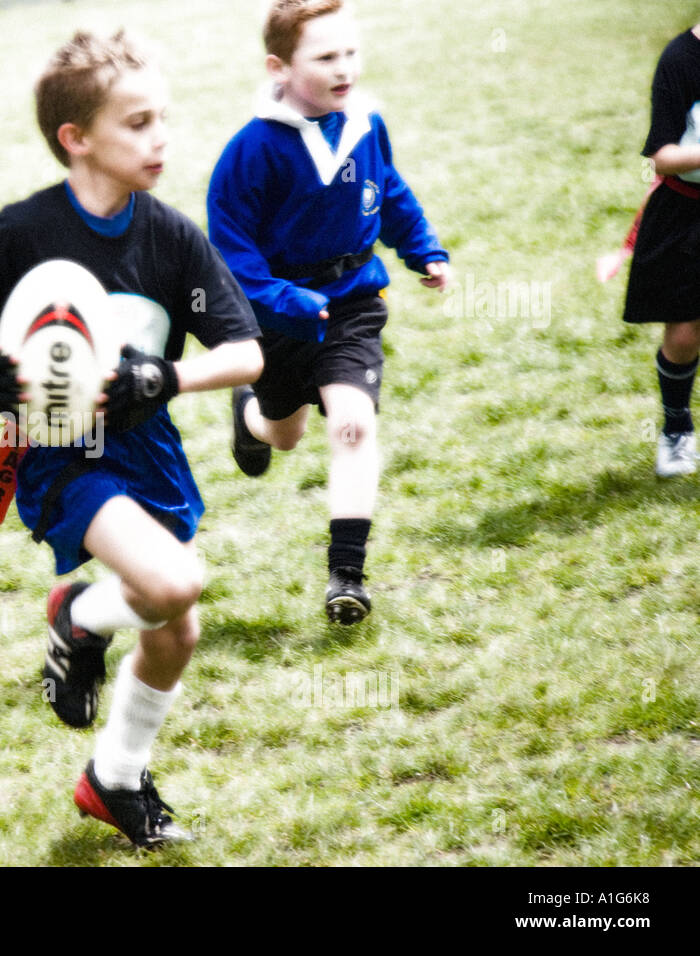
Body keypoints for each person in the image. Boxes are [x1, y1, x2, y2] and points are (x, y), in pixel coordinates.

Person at [0, 30, 262, 848]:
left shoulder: (172, 236)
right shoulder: (25, 234)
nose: (161, 139)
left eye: (163, 120)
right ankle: (82, 614)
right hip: (61, 455)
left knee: (175, 629)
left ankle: (113, 776)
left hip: (151, 450)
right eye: (137, 123)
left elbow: (245, 349)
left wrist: (168, 379)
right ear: (77, 139)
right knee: (177, 584)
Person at [208, 0, 449, 625]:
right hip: (280, 317)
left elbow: (388, 189)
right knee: (283, 436)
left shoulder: (366, 121)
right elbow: (232, 257)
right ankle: (251, 414)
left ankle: (347, 576)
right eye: (325, 58)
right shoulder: (252, 150)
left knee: (352, 425)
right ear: (279, 67)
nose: (345, 69)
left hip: (352, 303)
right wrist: (287, 301)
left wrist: (422, 249)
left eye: (350, 52)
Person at [622, 21, 700, 478]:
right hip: (685, 213)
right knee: (686, 332)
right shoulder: (679, 60)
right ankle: (676, 431)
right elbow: (662, 154)